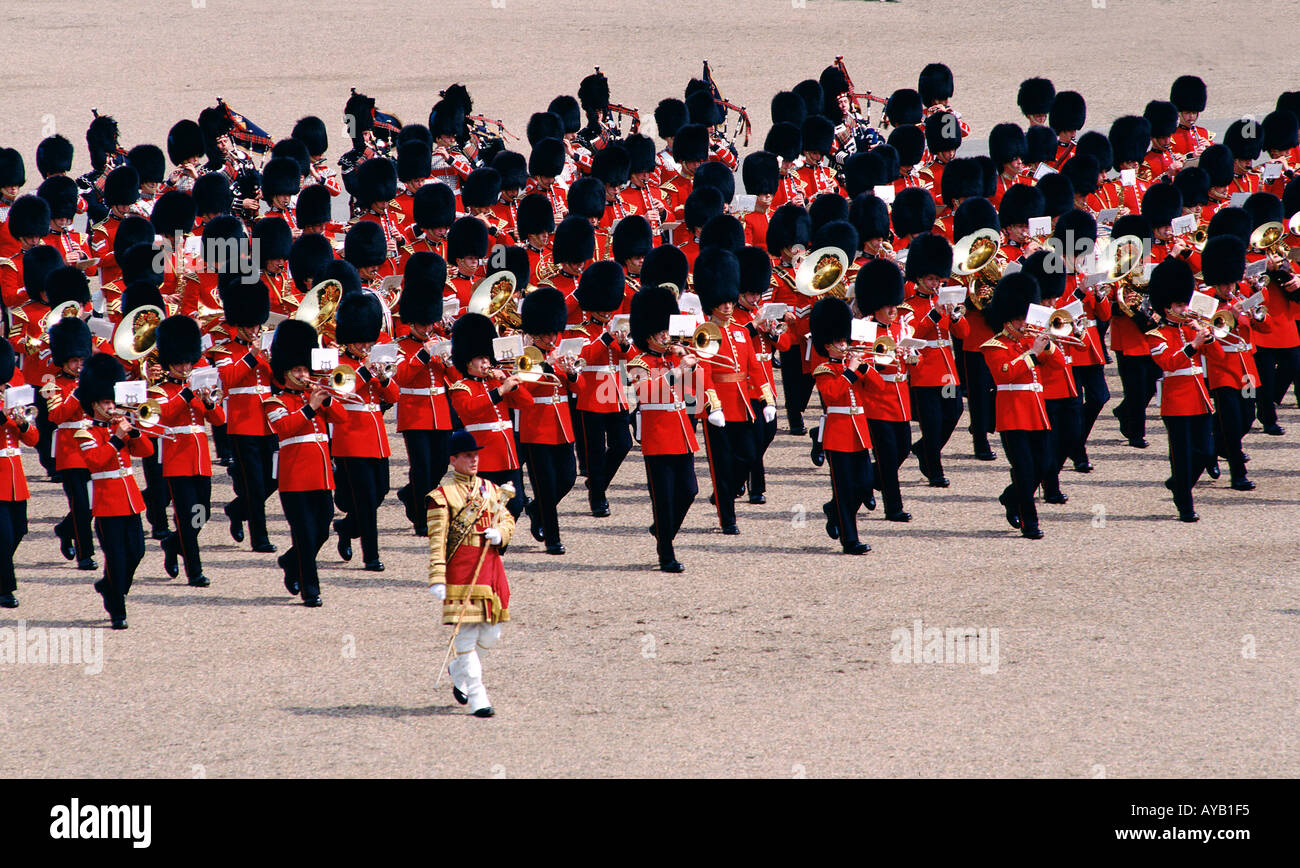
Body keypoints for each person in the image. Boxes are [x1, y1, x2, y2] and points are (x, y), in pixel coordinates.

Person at [426, 429, 516, 718]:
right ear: (454, 460)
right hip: (461, 570)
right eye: (467, 456)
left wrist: (500, 533)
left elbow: (507, 518)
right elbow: (438, 541)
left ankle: (458, 670)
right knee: (465, 637)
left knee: (492, 634)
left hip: (489, 568)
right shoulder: (442, 497)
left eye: (475, 455)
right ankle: (478, 695)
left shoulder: (490, 489)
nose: (474, 460)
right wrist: (437, 578)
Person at [264, 320, 349, 606]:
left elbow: (343, 418)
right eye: (297, 370)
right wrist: (311, 407)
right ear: (284, 372)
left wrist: (324, 401)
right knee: (303, 532)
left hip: (322, 476)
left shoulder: (315, 396)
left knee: (322, 529)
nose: (303, 375)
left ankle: (291, 560)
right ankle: (310, 590)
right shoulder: (274, 401)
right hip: (295, 478)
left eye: (305, 369)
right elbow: (284, 428)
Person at [980, 272, 1063, 540]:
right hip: (1012, 413)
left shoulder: (1032, 340)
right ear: (1007, 319)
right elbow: (1005, 373)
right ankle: (1031, 523)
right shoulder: (994, 346)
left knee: (1044, 466)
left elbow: (1060, 366)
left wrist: (1050, 345)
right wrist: (1033, 354)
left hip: (1037, 412)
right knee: (1025, 470)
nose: (1024, 324)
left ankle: (1010, 496)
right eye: (1019, 319)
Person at [75, 353, 153, 628]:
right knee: (117, 559)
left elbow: (147, 451)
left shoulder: (119, 426)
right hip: (108, 504)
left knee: (137, 552)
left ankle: (111, 588)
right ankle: (117, 609)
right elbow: (96, 461)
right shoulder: (85, 433)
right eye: (106, 402)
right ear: (93, 403)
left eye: (112, 401)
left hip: (130, 500)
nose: (111, 407)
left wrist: (134, 432)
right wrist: (117, 439)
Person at [1144, 257, 1224, 522]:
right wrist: (1192, 344)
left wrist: (1206, 336)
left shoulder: (1192, 328)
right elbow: (1168, 362)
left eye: (1184, 302)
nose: (1185, 307)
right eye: (1180, 304)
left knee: (1205, 452)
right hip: (1177, 401)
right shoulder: (1155, 335)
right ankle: (1185, 505)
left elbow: (1219, 357)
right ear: (1167, 307)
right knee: (1181, 456)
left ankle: (1179, 484)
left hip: (1199, 398)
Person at [627, 285, 699, 572]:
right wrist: (675, 372)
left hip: (682, 434)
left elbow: (694, 390)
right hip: (658, 437)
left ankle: (661, 529)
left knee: (689, 490)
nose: (666, 337)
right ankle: (665, 553)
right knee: (664, 498)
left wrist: (687, 362)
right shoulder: (638, 364)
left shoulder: (673, 358)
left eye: (666, 332)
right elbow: (643, 393)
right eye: (661, 334)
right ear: (649, 336)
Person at [151, 315, 224, 587]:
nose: (184, 368)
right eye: (180, 363)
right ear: (170, 363)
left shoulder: (196, 390)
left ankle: (172, 543)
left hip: (201, 460)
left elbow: (219, 421)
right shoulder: (159, 391)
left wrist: (207, 401)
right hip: (177, 460)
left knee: (201, 512)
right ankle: (195, 571)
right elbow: (163, 416)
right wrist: (186, 395)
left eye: (187, 363)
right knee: (185, 516)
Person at [330, 291, 399, 572]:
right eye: (360, 341)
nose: (365, 345)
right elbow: (341, 390)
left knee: (380, 492)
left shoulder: (371, 363)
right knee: (367, 501)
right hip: (351, 438)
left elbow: (394, 397)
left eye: (368, 340)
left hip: (376, 439)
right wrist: (368, 372)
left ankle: (346, 527)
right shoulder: (337, 362)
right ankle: (371, 556)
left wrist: (383, 377)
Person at [810, 297, 883, 554]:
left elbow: (879, 388)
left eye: (845, 341)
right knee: (844, 489)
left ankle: (834, 512)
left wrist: (864, 366)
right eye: (839, 342)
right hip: (838, 433)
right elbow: (832, 395)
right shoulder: (824, 370)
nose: (844, 345)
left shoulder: (855, 366)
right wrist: (850, 371)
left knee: (864, 486)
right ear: (827, 345)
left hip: (859, 431)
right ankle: (850, 540)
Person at [213, 275, 278, 553]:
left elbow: (280, 382)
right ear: (238, 325)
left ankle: (238, 510)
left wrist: (274, 360)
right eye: (249, 326)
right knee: (253, 482)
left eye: (256, 325)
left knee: (273, 478)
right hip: (242, 423)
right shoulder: (224, 350)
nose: (254, 330)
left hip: (270, 421)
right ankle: (259, 538)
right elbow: (228, 378)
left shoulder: (265, 349)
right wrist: (253, 356)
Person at [394, 252, 455, 536]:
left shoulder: (440, 341)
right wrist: (422, 355)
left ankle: (410, 495)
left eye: (430, 323)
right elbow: (401, 377)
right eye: (423, 324)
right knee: (422, 468)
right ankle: (422, 518)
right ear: (412, 322)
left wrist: (449, 363)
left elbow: (453, 379)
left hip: (440, 411)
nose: (428, 328)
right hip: (414, 413)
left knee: (440, 464)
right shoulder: (402, 346)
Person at [447, 313, 531, 518]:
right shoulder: (461, 388)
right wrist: (500, 392)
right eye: (480, 358)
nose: (485, 362)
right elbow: (469, 409)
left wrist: (510, 383)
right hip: (484, 456)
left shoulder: (497, 382)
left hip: (507, 453)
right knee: (485, 509)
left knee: (516, 505)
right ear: (467, 362)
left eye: (487, 357)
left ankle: (497, 544)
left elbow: (527, 403)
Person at [517, 287, 580, 553]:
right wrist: (543, 368)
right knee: (545, 485)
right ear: (535, 334)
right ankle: (553, 539)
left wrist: (572, 373)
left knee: (567, 478)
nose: (552, 338)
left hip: (562, 426)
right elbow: (521, 394)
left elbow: (580, 390)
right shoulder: (525, 359)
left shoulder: (559, 354)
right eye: (546, 334)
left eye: (554, 333)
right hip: (537, 428)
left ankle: (535, 509)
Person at [571, 261, 634, 517]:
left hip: (615, 392)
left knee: (623, 444)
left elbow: (630, 358)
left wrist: (624, 344)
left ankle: (597, 484)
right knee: (595, 453)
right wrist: (607, 338)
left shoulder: (616, 327)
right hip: (591, 395)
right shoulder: (581, 331)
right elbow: (584, 357)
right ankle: (598, 498)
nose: (607, 313)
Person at [856, 258, 915, 521]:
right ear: (877, 304)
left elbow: (913, 359)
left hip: (900, 398)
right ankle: (894, 507)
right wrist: (885, 359)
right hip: (877, 399)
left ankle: (864, 482)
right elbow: (861, 362)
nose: (894, 310)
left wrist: (913, 356)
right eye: (890, 305)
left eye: (895, 305)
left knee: (903, 449)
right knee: (888, 456)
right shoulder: (864, 329)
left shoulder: (901, 326)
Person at [0, 342, 39, 608]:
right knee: (3, 535)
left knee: (19, 530)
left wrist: (21, 422)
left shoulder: (13, 400)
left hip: (16, 478)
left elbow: (33, 439)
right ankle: (5, 588)